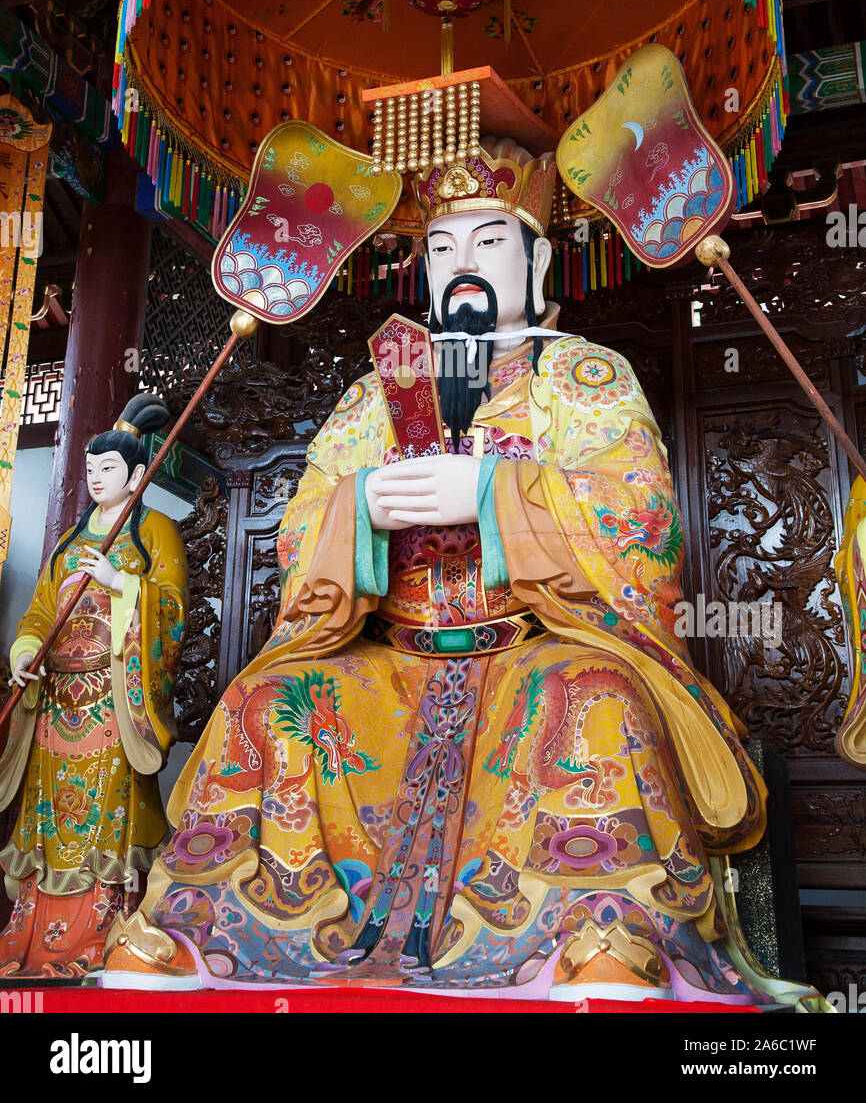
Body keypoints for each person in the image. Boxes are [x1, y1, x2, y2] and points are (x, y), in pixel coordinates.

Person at [102, 142, 768, 1001]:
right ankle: (204, 925)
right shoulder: (374, 393)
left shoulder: (584, 376)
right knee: (266, 703)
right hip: (390, 660)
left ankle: (601, 927)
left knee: (594, 697)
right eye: (443, 249)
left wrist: (494, 492)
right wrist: (360, 510)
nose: (463, 265)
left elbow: (643, 520)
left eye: (489, 243)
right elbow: (300, 526)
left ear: (536, 265)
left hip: (531, 647)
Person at [0, 393, 188, 976]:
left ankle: (101, 936)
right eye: (89, 469)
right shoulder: (68, 542)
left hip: (113, 700)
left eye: (108, 468)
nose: (95, 478)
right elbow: (39, 613)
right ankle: (31, 937)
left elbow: (174, 611)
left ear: (137, 473)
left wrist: (122, 584)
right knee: (50, 817)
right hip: (58, 701)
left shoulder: (155, 530)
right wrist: (26, 653)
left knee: (106, 815)